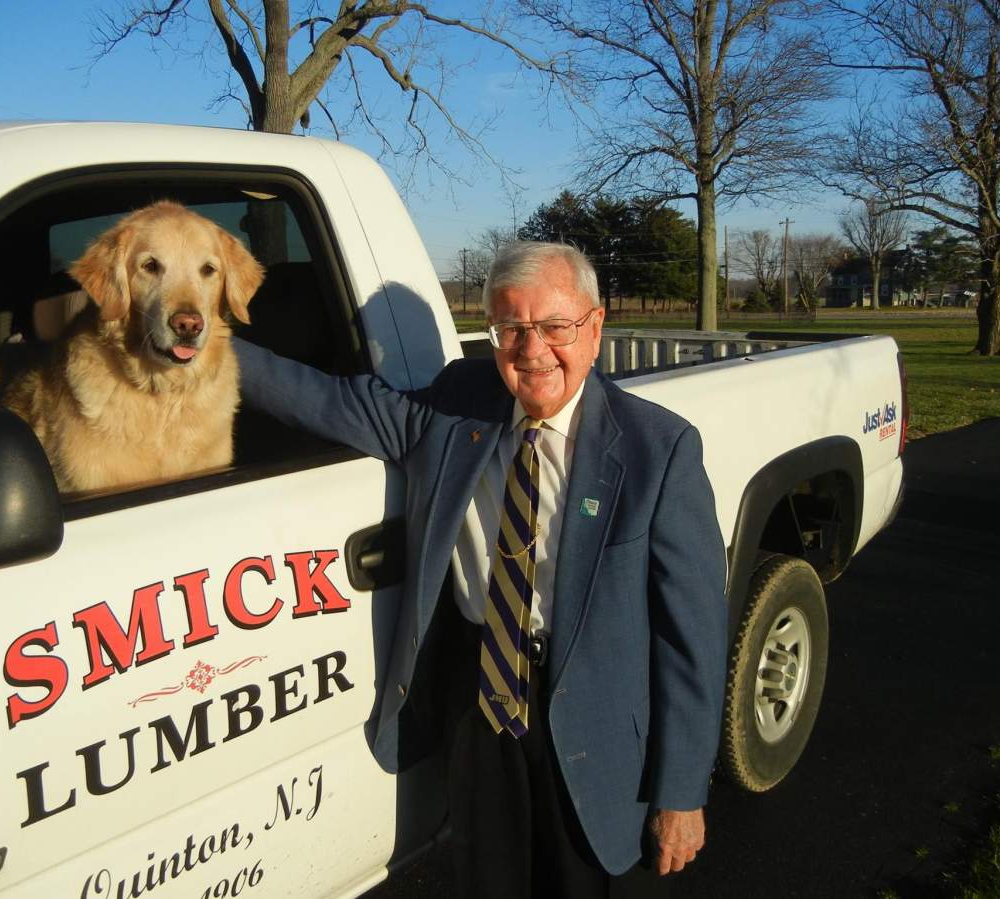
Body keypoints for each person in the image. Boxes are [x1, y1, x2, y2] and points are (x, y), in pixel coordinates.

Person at [234, 242, 727, 898]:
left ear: (596, 326)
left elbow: (692, 636)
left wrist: (681, 792)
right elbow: (326, 400)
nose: (532, 349)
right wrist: (205, 348)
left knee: (576, 884)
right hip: (481, 701)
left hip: (591, 720)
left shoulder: (657, 450)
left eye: (555, 326)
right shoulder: (454, 406)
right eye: (511, 329)